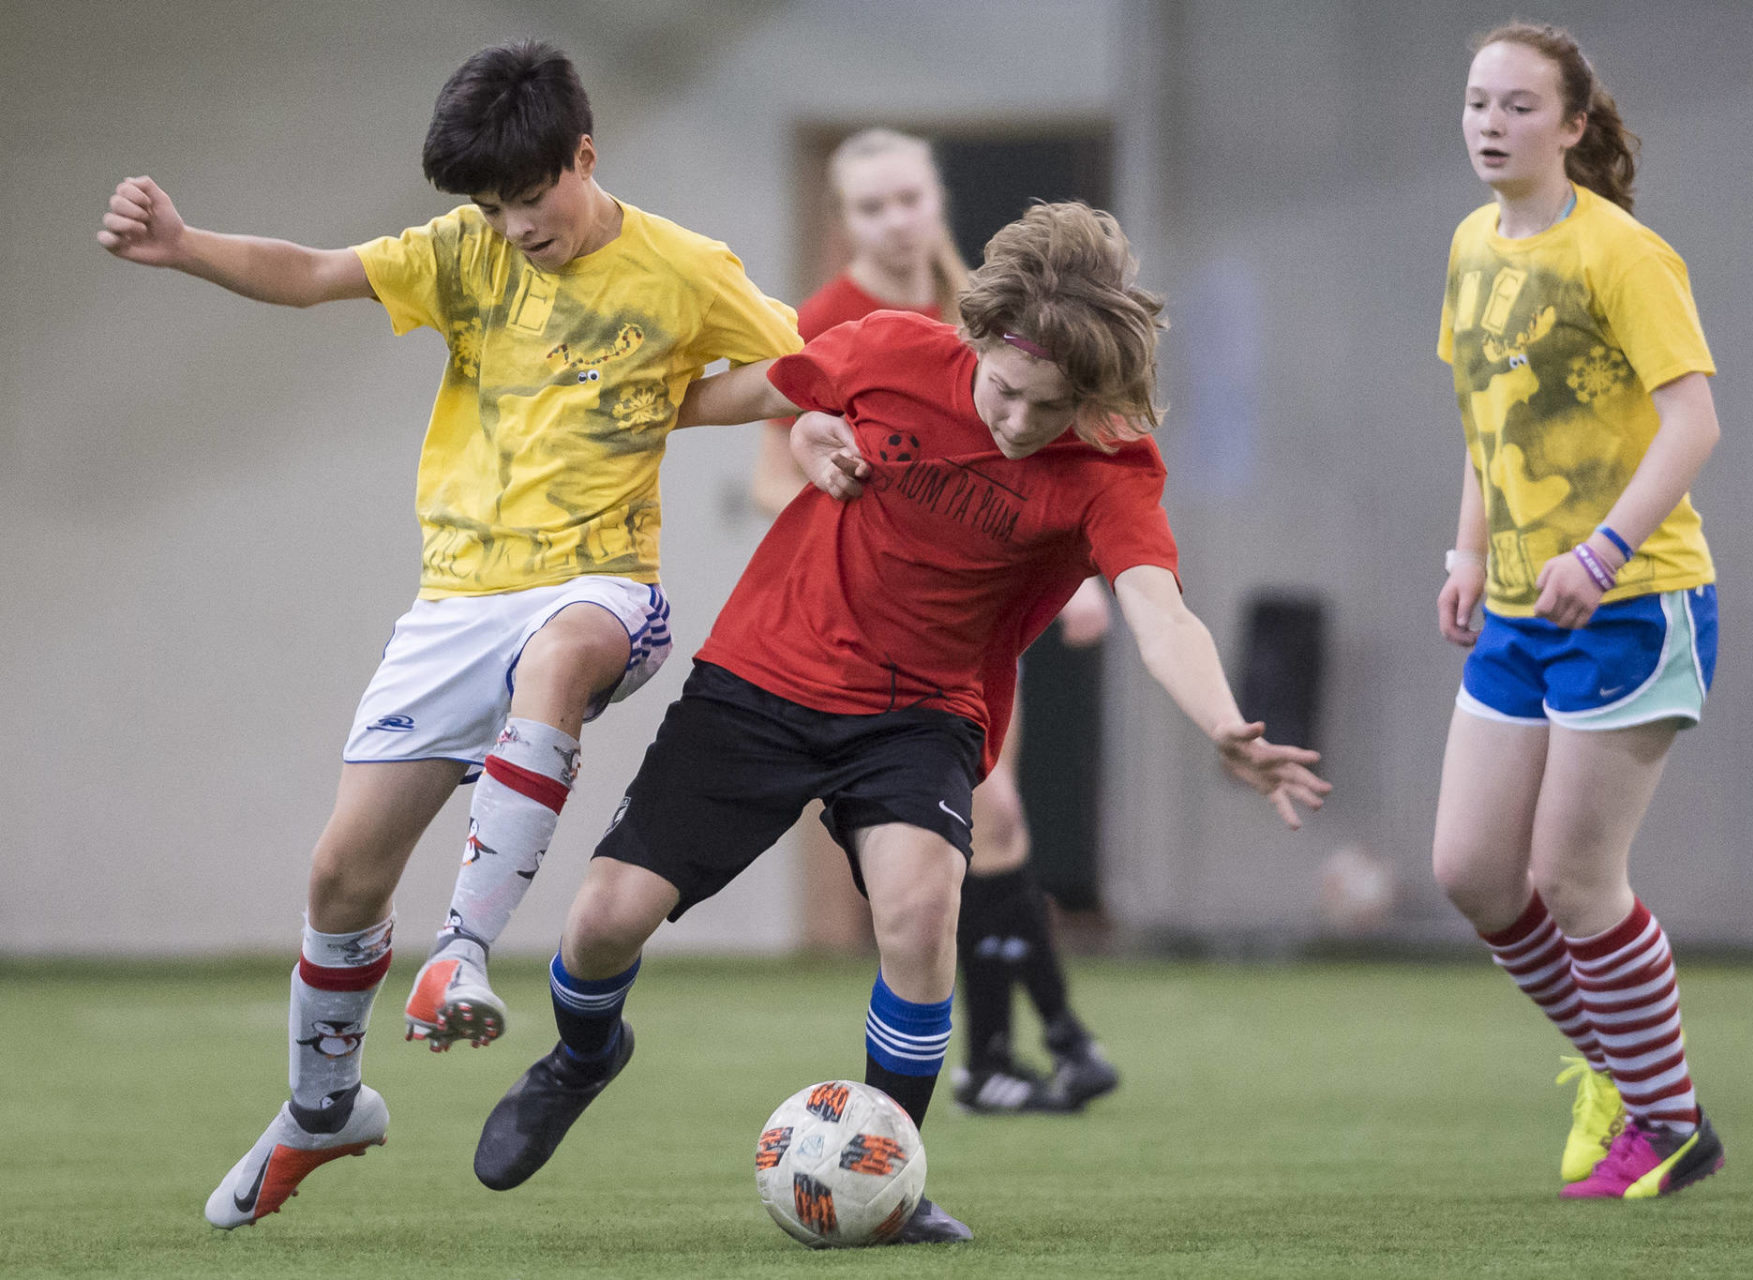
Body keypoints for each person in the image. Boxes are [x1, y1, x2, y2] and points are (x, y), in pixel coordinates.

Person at [470, 202, 1331, 1244]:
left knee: (921, 916)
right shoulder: (885, 351)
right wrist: (683, 415)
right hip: (763, 674)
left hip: (922, 713)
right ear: (978, 339)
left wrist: (1225, 722)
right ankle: (582, 1056)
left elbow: (1160, 611)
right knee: (604, 921)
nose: (1021, 423)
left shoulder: (1111, 464)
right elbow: (727, 396)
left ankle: (886, 1175)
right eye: (1007, 391)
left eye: (1052, 407)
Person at [97, 40, 801, 1228]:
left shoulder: (685, 268)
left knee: (562, 652)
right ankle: (324, 1108)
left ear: (585, 154)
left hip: (601, 587)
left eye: (530, 197)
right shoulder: (466, 253)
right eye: (492, 205)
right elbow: (314, 273)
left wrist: (740, 411)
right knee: (341, 874)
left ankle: (462, 950)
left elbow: (791, 368)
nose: (515, 226)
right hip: (456, 601)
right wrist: (185, 245)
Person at [751, 128, 1122, 1114]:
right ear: (843, 220)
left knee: (995, 823)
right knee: (983, 821)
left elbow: (1047, 472)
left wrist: (1078, 574)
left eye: (908, 198)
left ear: (937, 198)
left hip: (979, 615)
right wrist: (843, 482)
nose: (895, 221)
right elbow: (770, 473)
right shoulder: (826, 321)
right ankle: (1035, 1042)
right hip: (875, 628)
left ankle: (1011, 1052)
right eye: (871, 206)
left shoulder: (983, 310)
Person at [1430, 22, 1725, 1199]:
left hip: (1632, 602)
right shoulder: (1470, 243)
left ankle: (1671, 1123)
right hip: (1515, 608)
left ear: (1572, 125)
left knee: (1573, 878)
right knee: (1472, 871)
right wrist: (1466, 551)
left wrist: (1603, 552)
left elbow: (1694, 421)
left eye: (1517, 105)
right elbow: (1484, 420)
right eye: (1477, 102)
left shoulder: (1624, 253)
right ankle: (1627, 1070)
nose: (1491, 123)